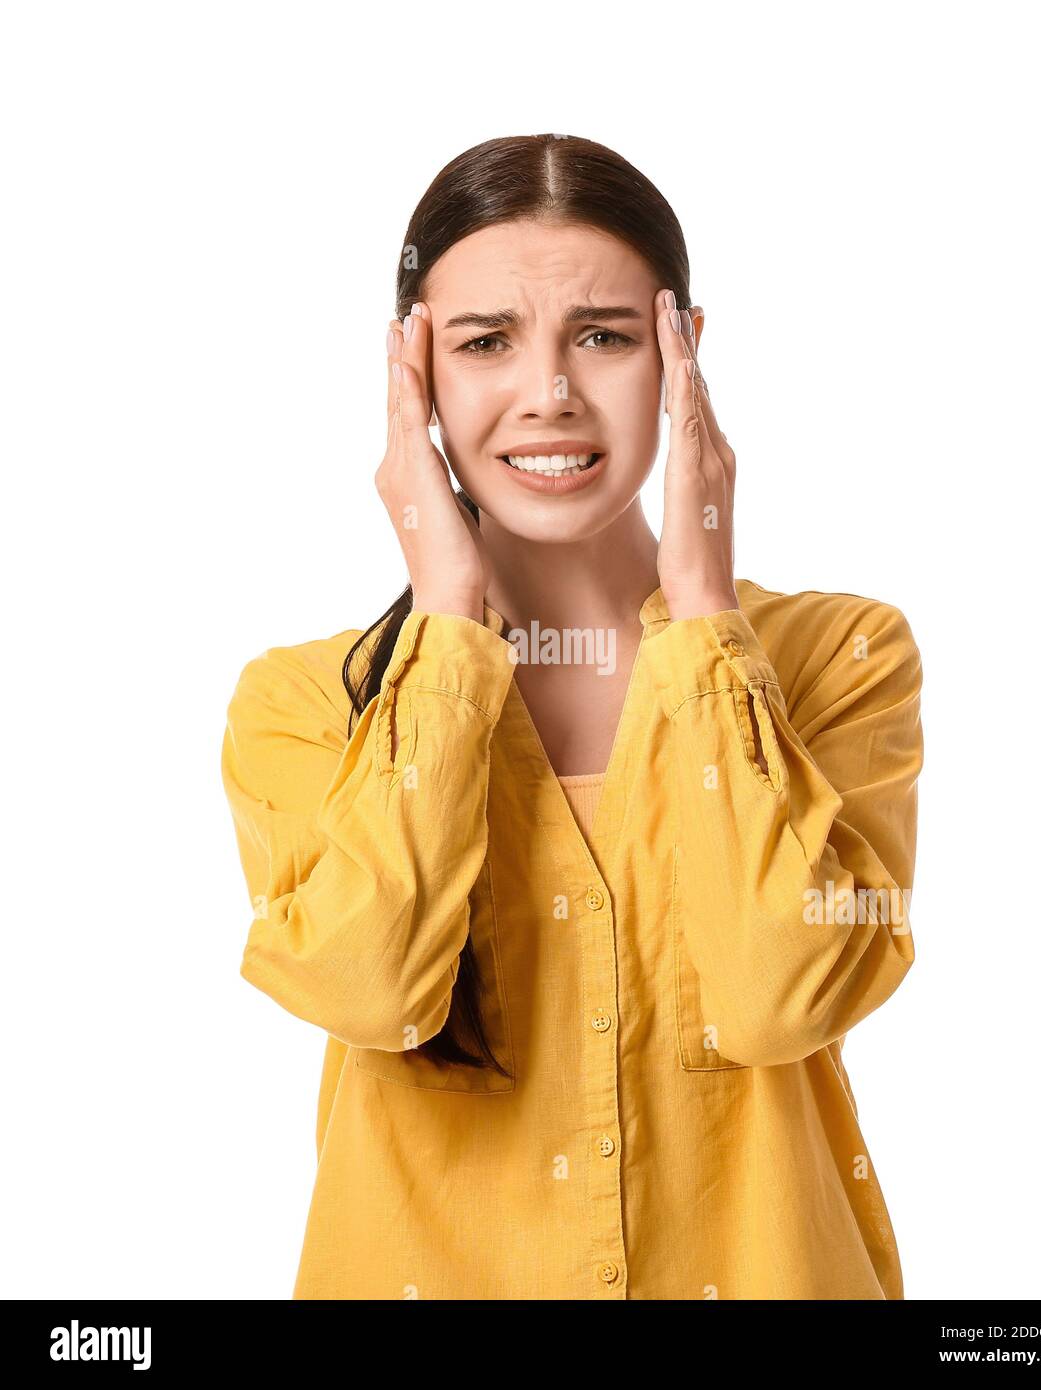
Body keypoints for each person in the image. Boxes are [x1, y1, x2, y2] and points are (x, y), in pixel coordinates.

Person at [220, 133, 924, 1300]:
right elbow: (369, 987)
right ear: (414, 375)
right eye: (484, 343)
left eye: (600, 336)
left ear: (680, 352)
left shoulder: (837, 659)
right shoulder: (305, 706)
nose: (548, 392)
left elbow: (779, 995)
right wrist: (446, 616)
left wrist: (701, 610)